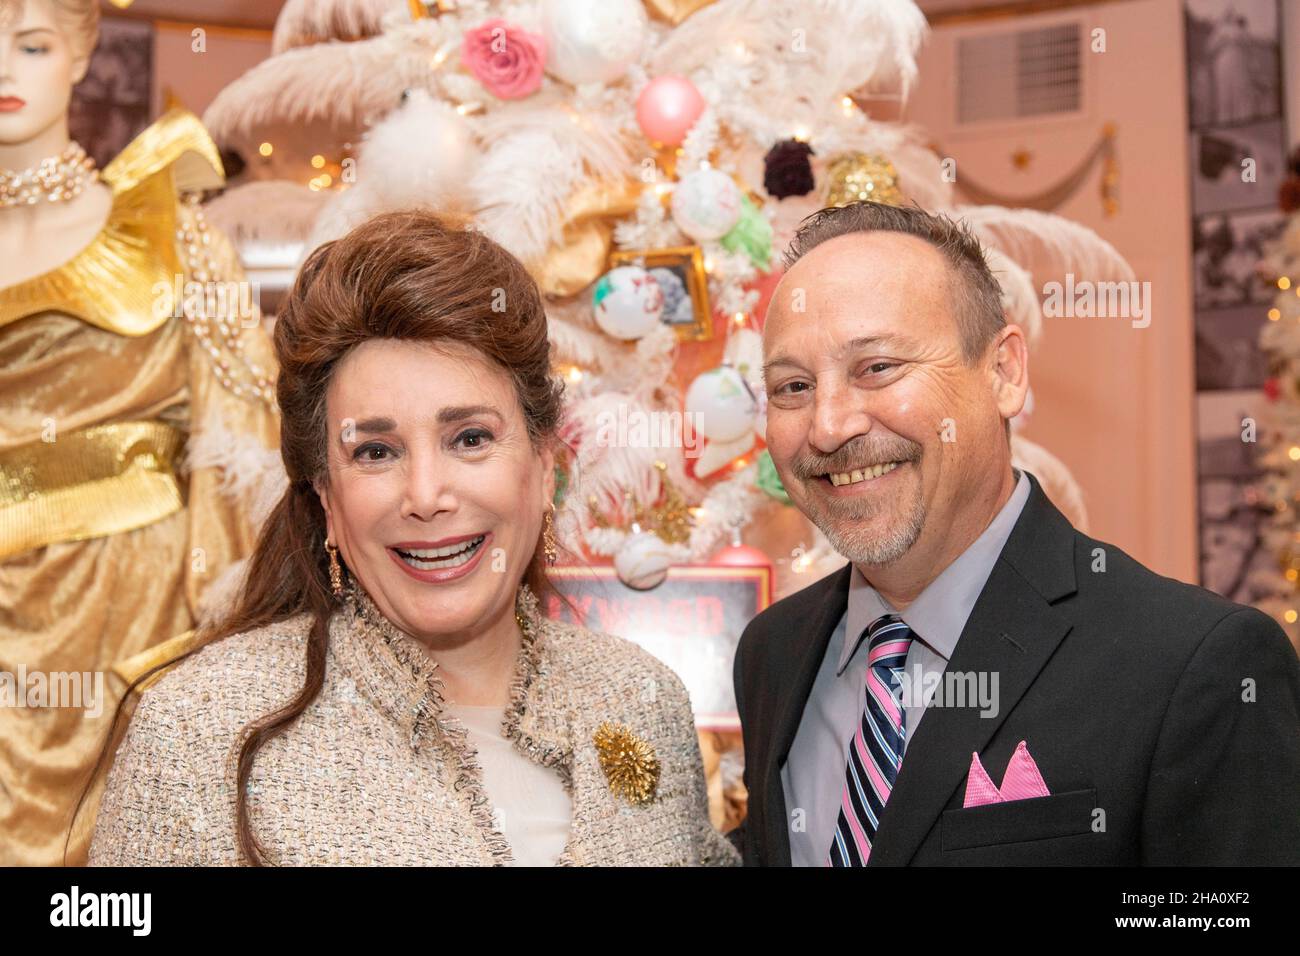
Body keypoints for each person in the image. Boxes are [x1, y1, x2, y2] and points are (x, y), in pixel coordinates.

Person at [87, 210, 738, 867]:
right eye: (375, 451)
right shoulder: (200, 729)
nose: (426, 495)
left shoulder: (642, 698)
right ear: (328, 501)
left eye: (471, 439)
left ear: (545, 470)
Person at [733, 200, 1300, 866]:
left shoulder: (1196, 666)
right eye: (793, 386)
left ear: (1003, 372)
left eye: (877, 367)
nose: (827, 426)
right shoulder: (773, 654)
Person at [0, 0, 278, 865]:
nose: (4, 69)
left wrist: (232, 620)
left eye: (32, 44)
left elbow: (241, 441)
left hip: (129, 599)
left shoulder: (173, 235)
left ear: (83, 52)